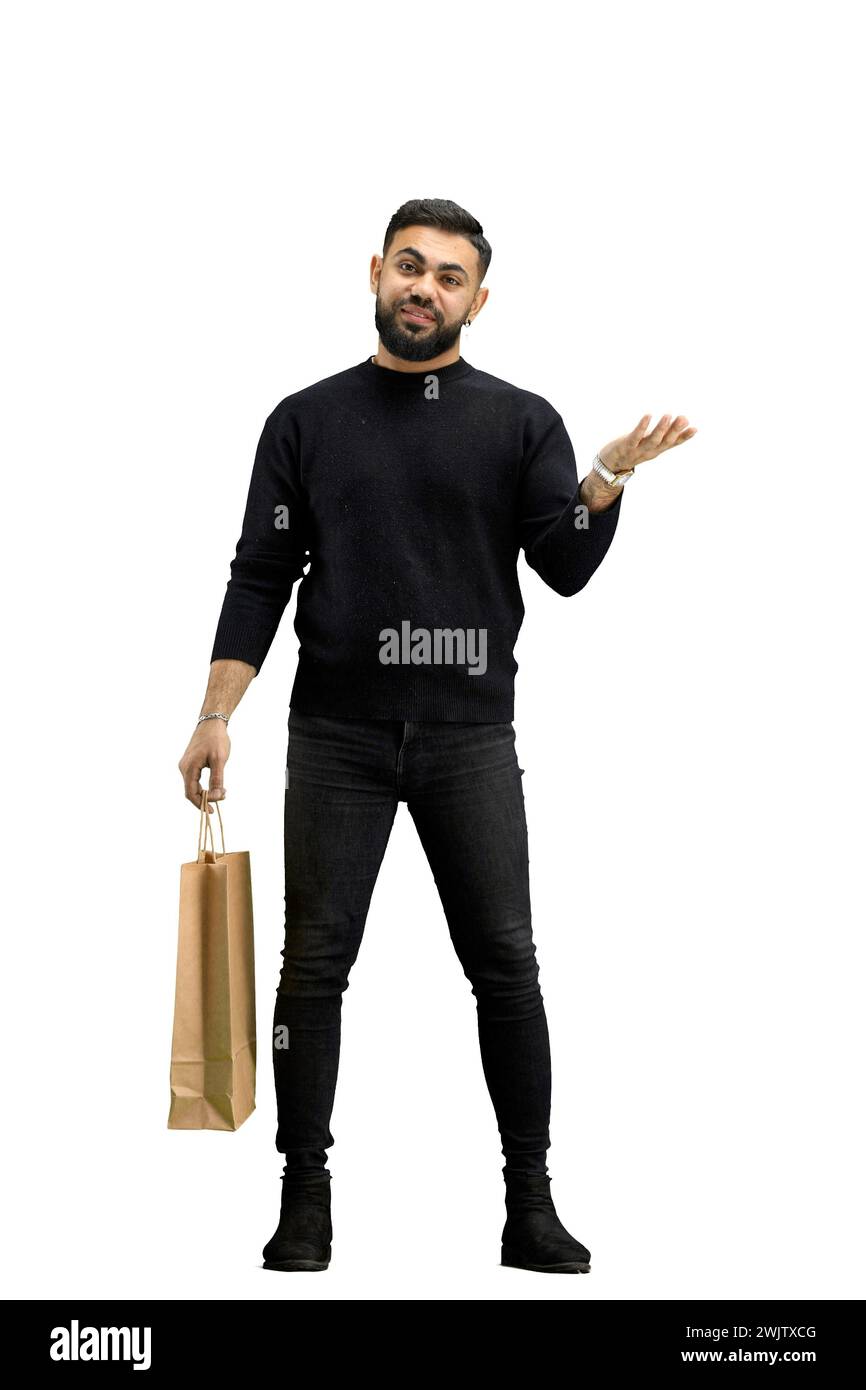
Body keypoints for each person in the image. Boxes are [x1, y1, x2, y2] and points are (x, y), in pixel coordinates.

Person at [178, 198, 697, 1274]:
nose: (424, 288)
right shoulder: (303, 420)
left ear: (478, 299)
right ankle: (303, 1201)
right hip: (333, 736)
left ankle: (530, 1205)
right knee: (311, 968)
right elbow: (258, 577)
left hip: (467, 735)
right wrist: (214, 712)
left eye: (448, 276)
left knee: (505, 965)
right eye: (408, 267)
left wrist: (604, 479)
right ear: (374, 271)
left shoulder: (518, 421)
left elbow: (562, 566)